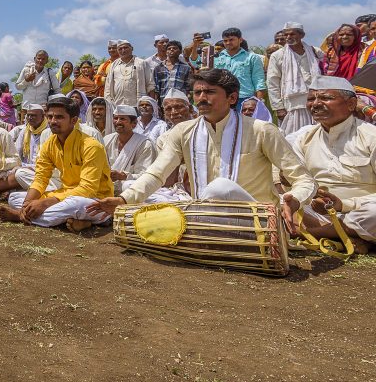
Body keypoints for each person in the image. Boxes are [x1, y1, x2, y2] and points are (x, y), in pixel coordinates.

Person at [88, 69, 316, 232]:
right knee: (147, 211)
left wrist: (294, 200)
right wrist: (124, 199)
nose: (201, 98)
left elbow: (304, 179)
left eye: (209, 92)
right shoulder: (183, 131)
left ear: (232, 98)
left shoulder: (261, 130)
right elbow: (157, 173)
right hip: (205, 217)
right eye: (197, 93)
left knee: (220, 187)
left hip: (255, 220)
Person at [0, 97, 113, 232]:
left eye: (59, 117)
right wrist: (27, 204)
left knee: (74, 204)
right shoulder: (50, 144)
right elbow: (40, 178)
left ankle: (20, 216)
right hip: (65, 194)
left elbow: (87, 189)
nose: (53, 121)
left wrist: (45, 203)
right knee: (15, 198)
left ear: (74, 120)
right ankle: (81, 221)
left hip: (95, 200)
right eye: (50, 117)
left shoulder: (91, 146)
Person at [290, 77, 376, 252]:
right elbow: (297, 180)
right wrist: (306, 195)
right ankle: (347, 235)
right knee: (273, 201)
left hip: (358, 213)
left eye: (326, 98)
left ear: (351, 104)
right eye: (311, 99)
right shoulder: (304, 138)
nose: (315, 104)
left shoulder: (370, 136)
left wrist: (343, 204)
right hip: (315, 212)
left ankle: (310, 233)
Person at [104, 105, 156, 196]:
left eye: (122, 119)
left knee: (128, 185)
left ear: (134, 123)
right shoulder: (107, 140)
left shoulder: (145, 144)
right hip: (106, 186)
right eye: (116, 118)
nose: (118, 122)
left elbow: (146, 175)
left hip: (129, 189)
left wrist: (123, 176)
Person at [213, 28, 266, 108]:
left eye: (231, 40)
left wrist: (259, 103)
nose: (228, 43)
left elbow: (259, 80)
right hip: (222, 98)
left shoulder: (252, 57)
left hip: (245, 99)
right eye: (225, 41)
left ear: (240, 40)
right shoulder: (216, 58)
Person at [3, 103, 48, 192]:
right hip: (24, 167)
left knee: (19, 174)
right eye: (28, 115)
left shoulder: (48, 132)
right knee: (5, 169)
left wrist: (25, 167)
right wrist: (17, 165)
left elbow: (45, 161)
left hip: (41, 170)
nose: (30, 118)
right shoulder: (25, 130)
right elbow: (17, 152)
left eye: (34, 115)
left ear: (43, 116)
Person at [104, 39, 154, 107]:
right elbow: (107, 87)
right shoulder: (113, 65)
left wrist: (152, 104)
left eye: (125, 48)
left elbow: (150, 85)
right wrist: (109, 104)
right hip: (117, 105)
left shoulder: (141, 63)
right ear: (118, 51)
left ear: (132, 48)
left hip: (138, 105)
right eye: (120, 49)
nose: (123, 50)